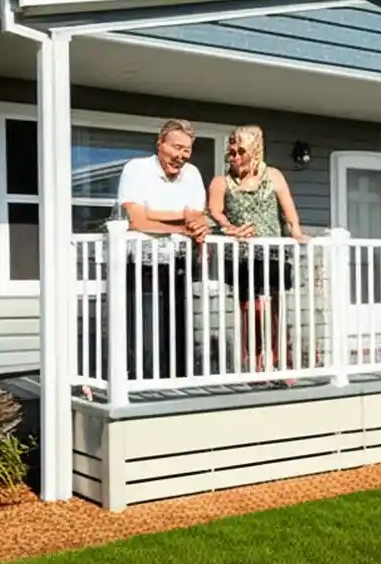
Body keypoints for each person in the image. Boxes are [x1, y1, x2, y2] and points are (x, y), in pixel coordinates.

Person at [207, 125, 305, 382]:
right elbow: (214, 211)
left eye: (241, 151)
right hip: (241, 256)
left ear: (255, 151)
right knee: (249, 308)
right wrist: (231, 228)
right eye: (232, 151)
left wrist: (295, 232)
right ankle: (254, 363)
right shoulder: (221, 182)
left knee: (272, 308)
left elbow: (289, 211)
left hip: (272, 253)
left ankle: (280, 361)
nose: (235, 156)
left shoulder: (273, 176)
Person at [116, 118, 209, 381]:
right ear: (160, 143)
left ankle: (176, 388)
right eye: (176, 147)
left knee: (177, 330)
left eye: (187, 150)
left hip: (179, 262)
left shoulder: (192, 174)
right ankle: (140, 387)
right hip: (142, 263)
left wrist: (158, 216)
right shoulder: (136, 169)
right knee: (144, 331)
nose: (181, 156)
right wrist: (181, 221)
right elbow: (136, 220)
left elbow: (198, 219)